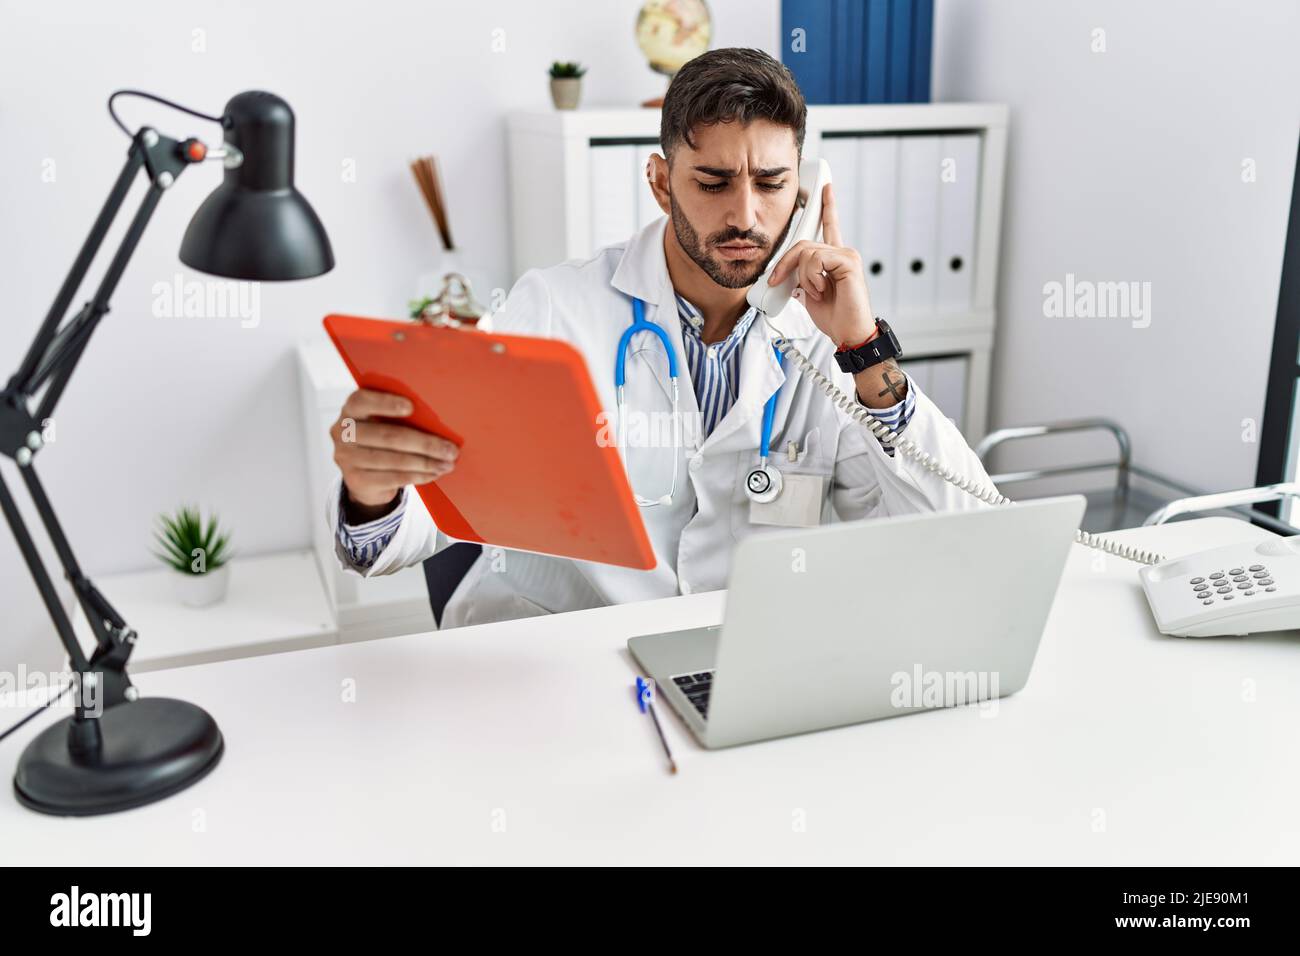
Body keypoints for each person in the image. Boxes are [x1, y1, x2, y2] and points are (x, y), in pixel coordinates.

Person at [325, 47, 996, 628]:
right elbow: (412, 528)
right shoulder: (555, 308)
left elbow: (961, 530)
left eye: (771, 184)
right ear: (660, 183)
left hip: (733, 655)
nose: (745, 215)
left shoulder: (823, 344)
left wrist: (865, 347)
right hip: (559, 660)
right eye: (713, 182)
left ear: (804, 193)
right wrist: (371, 489)